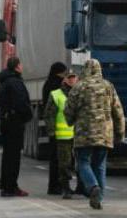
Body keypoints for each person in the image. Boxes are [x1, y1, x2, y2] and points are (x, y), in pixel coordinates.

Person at [64, 59, 125, 210]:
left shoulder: (78, 87)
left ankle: (92, 187)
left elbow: (69, 110)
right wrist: (120, 134)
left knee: (83, 162)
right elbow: (118, 112)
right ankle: (98, 199)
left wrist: (70, 121)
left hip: (84, 134)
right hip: (105, 134)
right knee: (99, 165)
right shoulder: (108, 86)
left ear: (84, 70)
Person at [0, 56, 32, 197]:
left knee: (7, 156)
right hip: (14, 122)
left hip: (6, 121)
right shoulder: (15, 82)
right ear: (17, 67)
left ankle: (5, 185)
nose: (22, 67)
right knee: (13, 157)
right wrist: (27, 116)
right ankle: (11, 187)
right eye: (21, 64)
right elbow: (21, 103)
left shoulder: (3, 81)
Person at [45, 71, 79, 199]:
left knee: (80, 163)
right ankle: (65, 188)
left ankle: (81, 187)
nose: (72, 80)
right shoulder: (56, 94)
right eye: (69, 78)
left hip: (79, 135)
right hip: (63, 136)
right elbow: (49, 115)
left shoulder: (80, 94)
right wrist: (52, 131)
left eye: (74, 77)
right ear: (64, 80)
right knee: (64, 164)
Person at [42, 61, 68, 195]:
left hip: (54, 128)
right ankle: (57, 185)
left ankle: (54, 185)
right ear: (60, 72)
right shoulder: (58, 86)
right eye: (64, 72)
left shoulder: (47, 84)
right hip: (61, 128)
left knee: (55, 158)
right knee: (60, 160)